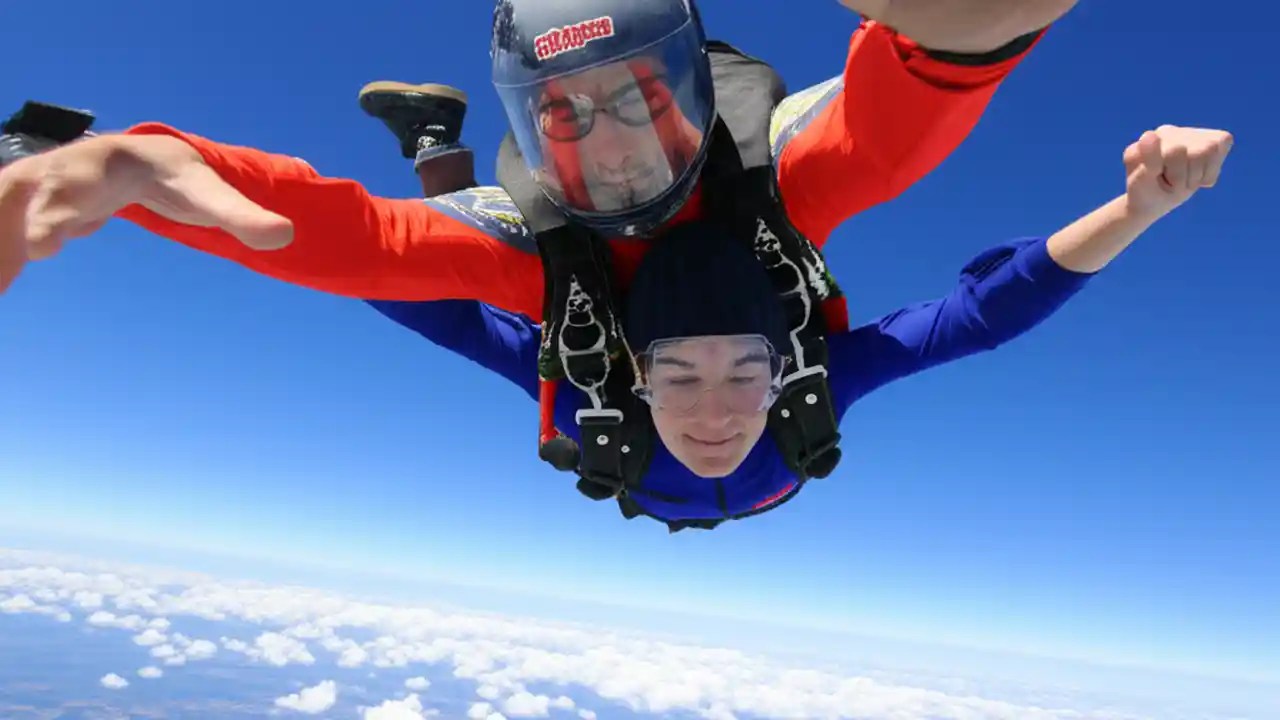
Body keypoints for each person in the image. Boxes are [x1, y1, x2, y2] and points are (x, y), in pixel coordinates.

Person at [0, 0, 1077, 497]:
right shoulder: (545, 261)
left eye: (634, 102)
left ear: (696, 94)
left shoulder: (779, 194)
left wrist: (959, 25)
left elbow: (901, 116)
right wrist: (143, 166)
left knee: (439, 284)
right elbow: (353, 240)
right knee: (437, 264)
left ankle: (435, 137)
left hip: (570, 351)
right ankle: (436, 140)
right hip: (557, 312)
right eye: (559, 120)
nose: (605, 151)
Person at [367, 124, 1234, 530]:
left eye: (747, 370)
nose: (716, 416)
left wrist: (1137, 208)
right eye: (677, 374)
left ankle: (437, 141)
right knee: (475, 254)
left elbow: (979, 316)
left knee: (467, 272)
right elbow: (421, 286)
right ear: (634, 367)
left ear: (784, 363)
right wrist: (259, 222)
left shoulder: (809, 380)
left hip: (660, 491)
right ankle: (436, 141)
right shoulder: (593, 376)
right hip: (669, 486)